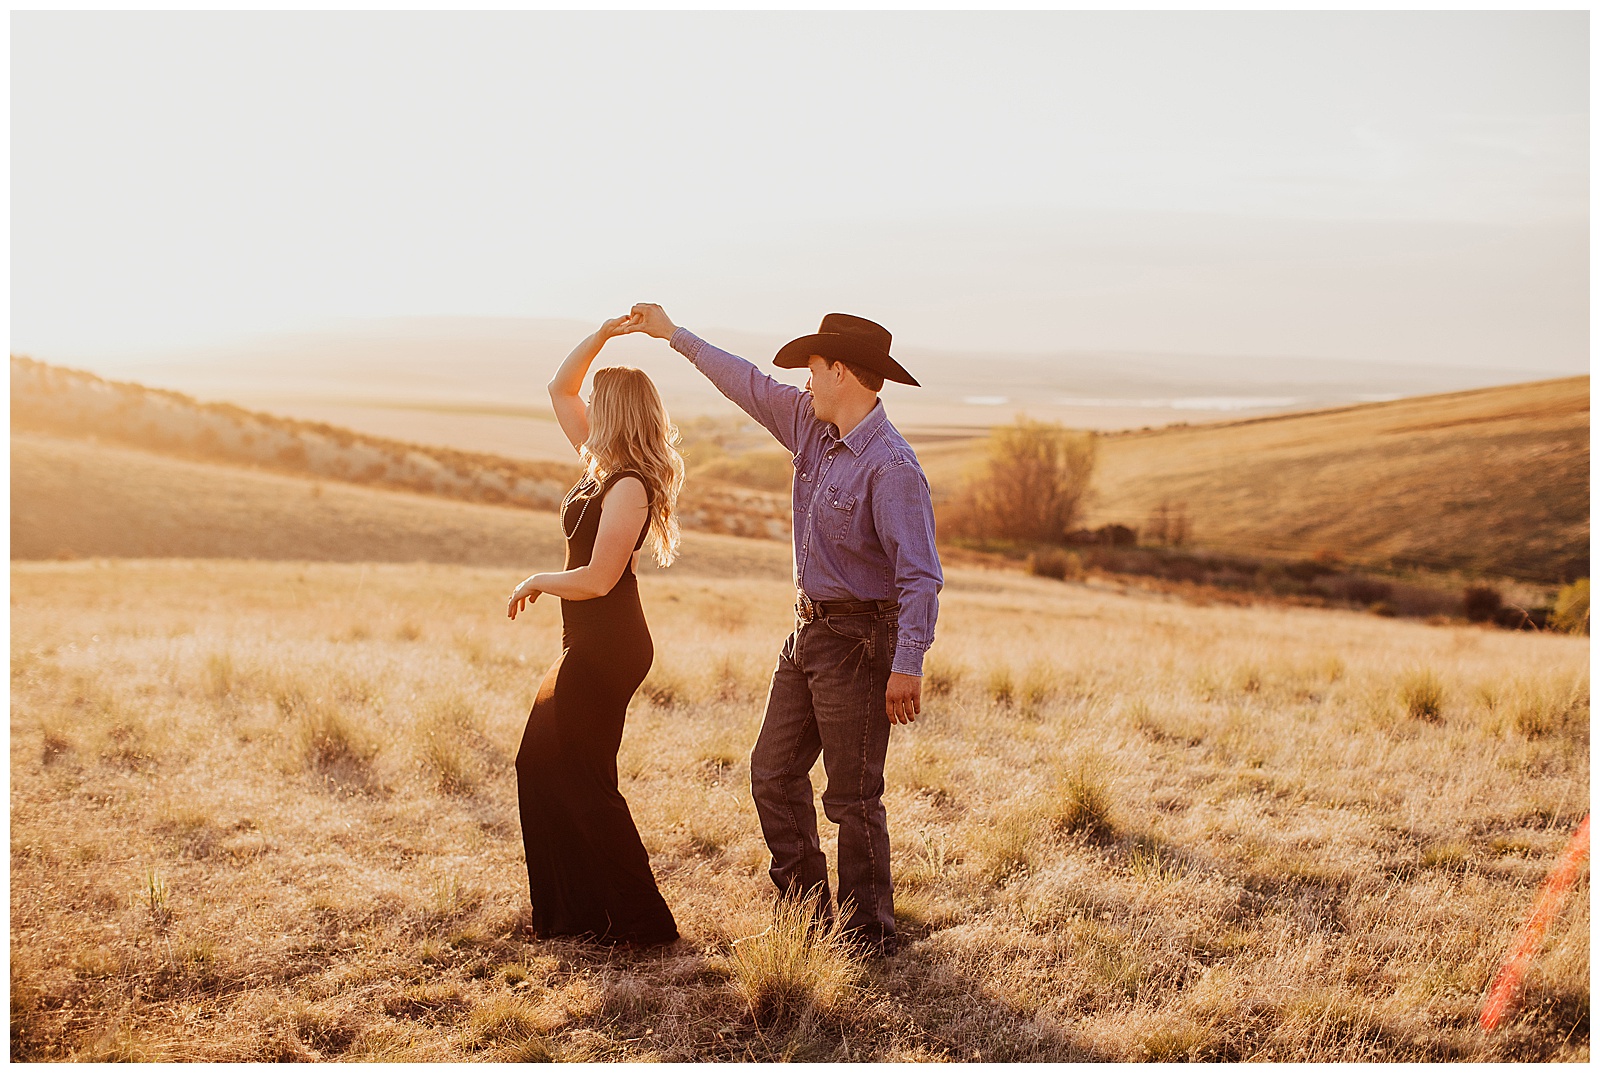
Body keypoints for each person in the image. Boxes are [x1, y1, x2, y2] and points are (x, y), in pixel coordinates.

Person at [622, 304, 942, 957]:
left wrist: (907, 662)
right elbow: (743, 381)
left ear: (843, 373)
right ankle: (804, 914)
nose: (803, 383)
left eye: (814, 370)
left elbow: (920, 576)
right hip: (808, 633)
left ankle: (870, 935)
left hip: (861, 641)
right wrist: (673, 334)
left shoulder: (892, 466)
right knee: (772, 772)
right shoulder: (809, 426)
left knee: (853, 797)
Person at [505, 315, 683, 947]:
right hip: (587, 643)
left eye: (597, 401)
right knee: (544, 767)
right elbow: (559, 387)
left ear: (615, 413)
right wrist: (604, 334)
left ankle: (641, 925)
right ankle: (580, 915)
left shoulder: (630, 485)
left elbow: (600, 579)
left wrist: (537, 579)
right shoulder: (601, 466)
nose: (584, 408)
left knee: (580, 780)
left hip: (609, 646)